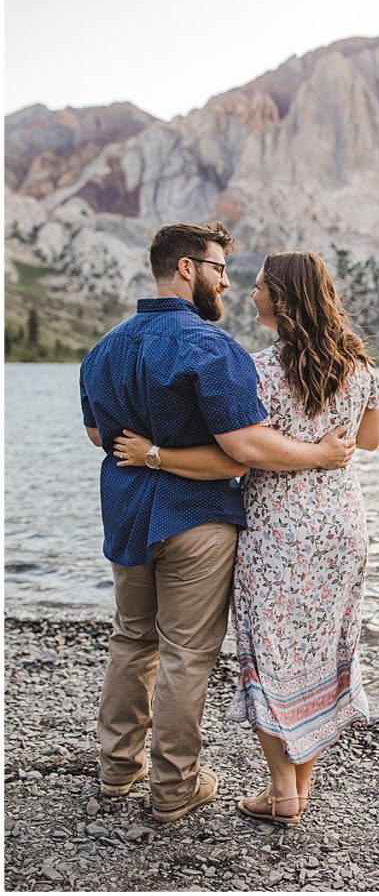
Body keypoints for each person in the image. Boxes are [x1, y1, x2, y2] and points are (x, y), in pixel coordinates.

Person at [80, 223, 355, 823]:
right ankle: (174, 788)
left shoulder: (103, 349)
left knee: (132, 640)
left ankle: (116, 771)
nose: (226, 281)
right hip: (197, 521)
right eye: (218, 268)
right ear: (186, 268)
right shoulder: (211, 348)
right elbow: (245, 448)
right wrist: (321, 455)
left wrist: (147, 450)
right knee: (186, 654)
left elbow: (101, 435)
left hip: (127, 515)